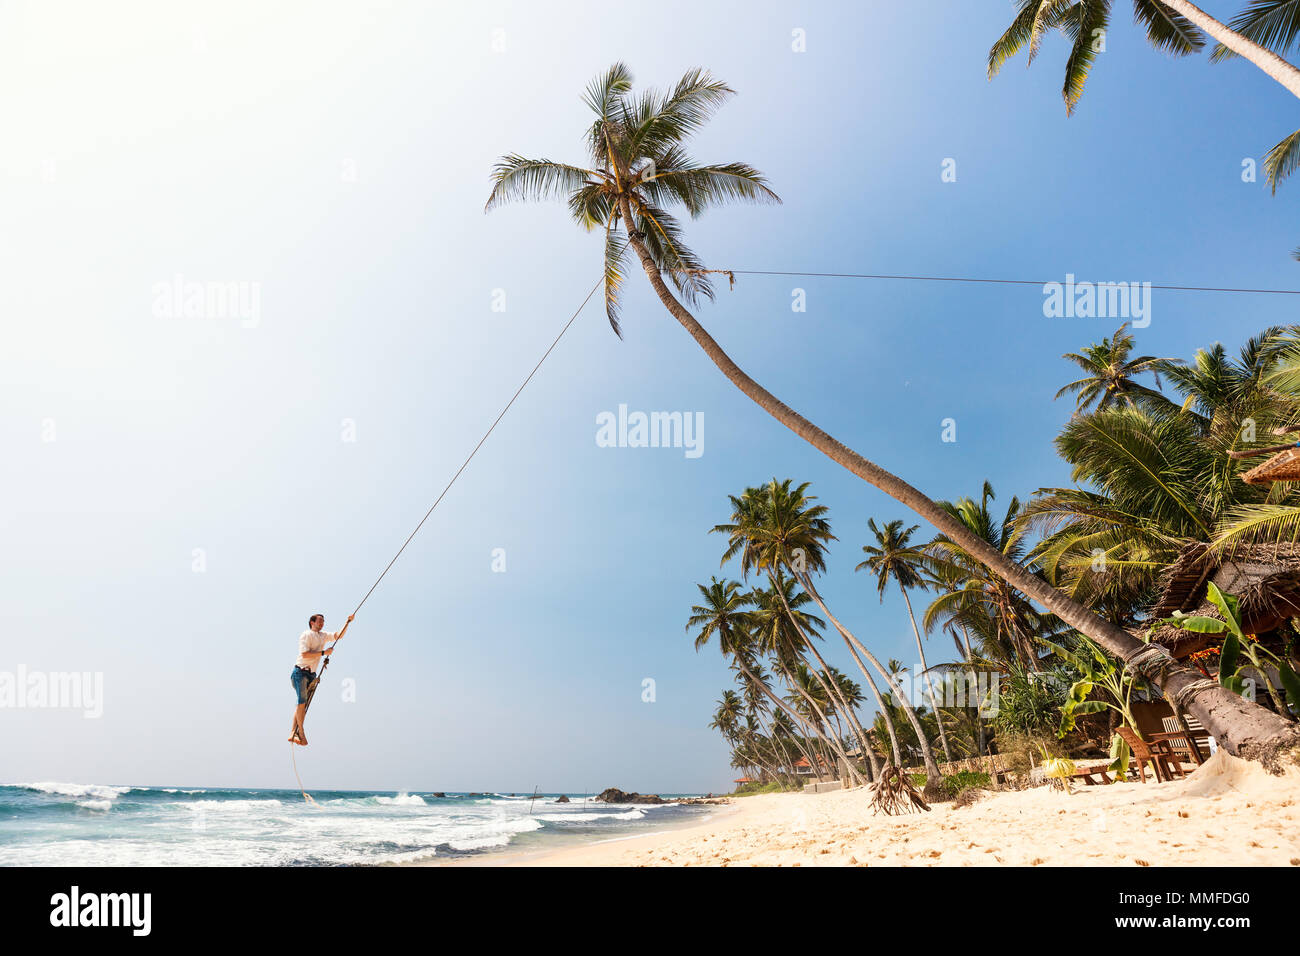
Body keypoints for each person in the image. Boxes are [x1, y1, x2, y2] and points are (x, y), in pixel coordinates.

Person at [289, 612, 353, 745]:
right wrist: (324, 653)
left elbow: (338, 635)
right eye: (319, 621)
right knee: (302, 702)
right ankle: (300, 732)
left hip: (311, 674)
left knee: (302, 705)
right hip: (300, 672)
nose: (322, 623)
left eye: (323, 621)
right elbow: (305, 655)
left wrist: (347, 623)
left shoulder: (323, 636)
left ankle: (292, 733)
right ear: (312, 622)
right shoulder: (306, 634)